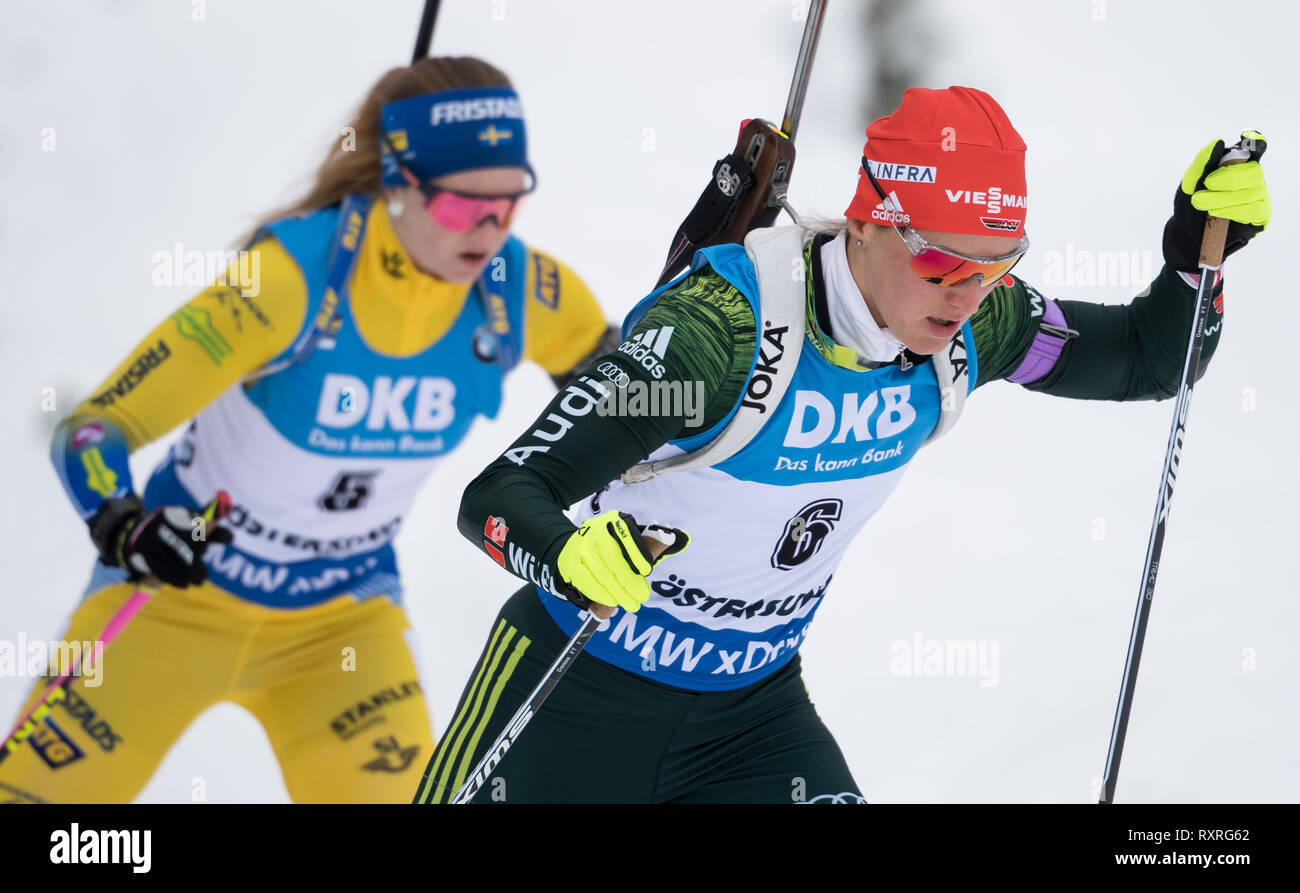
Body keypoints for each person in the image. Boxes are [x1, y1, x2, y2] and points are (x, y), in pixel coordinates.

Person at [412, 86, 1270, 804]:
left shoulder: (969, 330)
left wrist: (1196, 261)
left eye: (997, 264)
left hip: (748, 720)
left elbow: (1153, 360)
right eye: (939, 262)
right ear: (866, 223)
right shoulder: (720, 337)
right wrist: (569, 558)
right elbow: (498, 495)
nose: (968, 295)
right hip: (571, 695)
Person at [1, 56, 611, 804]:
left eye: (509, 205)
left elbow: (634, 400)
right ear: (398, 182)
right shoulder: (291, 280)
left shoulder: (522, 293)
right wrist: (125, 524)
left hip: (340, 626)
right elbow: (95, 429)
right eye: (460, 207)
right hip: (176, 599)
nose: (488, 230)